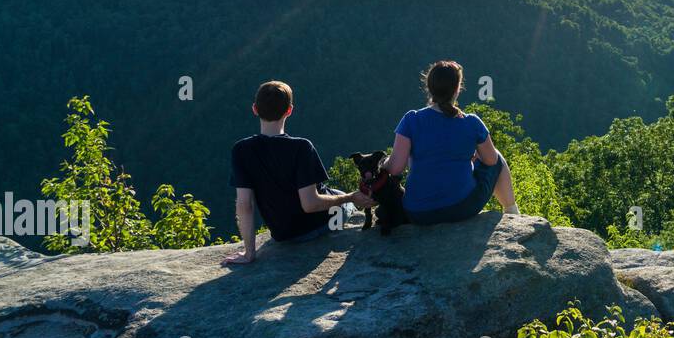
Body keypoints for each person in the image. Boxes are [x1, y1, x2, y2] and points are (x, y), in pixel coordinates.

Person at [222, 80, 372, 265]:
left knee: (336, 194)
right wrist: (349, 198)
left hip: (282, 234)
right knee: (343, 199)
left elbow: (244, 205)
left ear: (255, 109)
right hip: (315, 227)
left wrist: (249, 253)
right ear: (289, 110)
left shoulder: (241, 150)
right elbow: (310, 204)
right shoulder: (301, 147)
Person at [383, 60, 519, 224]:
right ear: (457, 89)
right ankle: (512, 213)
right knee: (496, 155)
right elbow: (491, 161)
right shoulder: (471, 122)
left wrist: (383, 162)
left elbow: (396, 168)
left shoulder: (411, 119)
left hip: (417, 212)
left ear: (429, 87)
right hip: (460, 208)